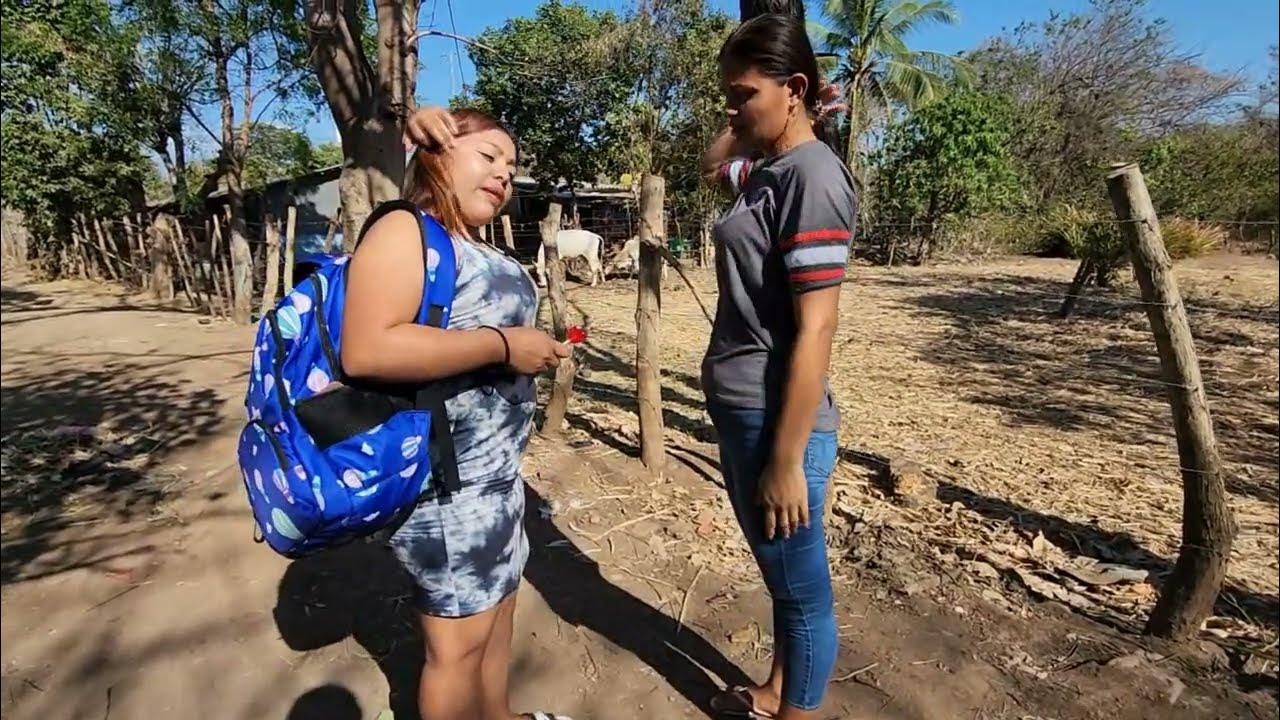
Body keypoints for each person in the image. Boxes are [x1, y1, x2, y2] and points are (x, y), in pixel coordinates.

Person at [342, 105, 572, 720]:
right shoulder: (405, 230)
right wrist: (503, 346)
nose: (504, 174)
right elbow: (367, 349)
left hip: (496, 482)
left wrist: (525, 352)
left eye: (511, 166)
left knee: (497, 622)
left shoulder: (470, 244)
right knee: (457, 652)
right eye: (488, 156)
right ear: (437, 151)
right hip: (445, 489)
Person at [700, 14, 856, 720]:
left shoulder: (812, 178)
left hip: (775, 422)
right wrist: (749, 120)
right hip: (747, 410)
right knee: (784, 582)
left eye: (743, 96)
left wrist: (787, 460)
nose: (732, 112)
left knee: (802, 596)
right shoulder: (769, 172)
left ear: (793, 88)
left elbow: (817, 326)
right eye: (728, 98)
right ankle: (774, 691)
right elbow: (711, 168)